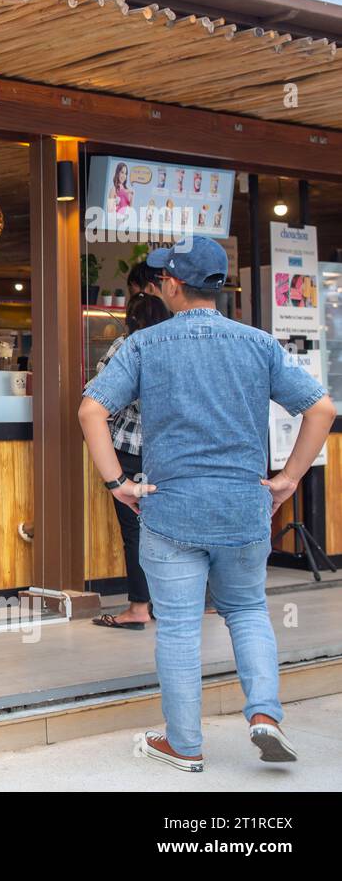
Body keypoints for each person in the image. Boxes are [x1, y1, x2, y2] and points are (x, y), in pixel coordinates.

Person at [80, 235, 335, 772]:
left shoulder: (145, 344)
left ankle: (185, 745)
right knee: (246, 611)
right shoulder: (258, 344)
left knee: (176, 627)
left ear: (171, 284)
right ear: (218, 287)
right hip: (244, 506)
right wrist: (288, 479)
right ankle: (264, 716)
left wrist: (117, 484)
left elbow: (90, 412)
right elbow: (321, 409)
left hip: (171, 507)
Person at [90, 293, 170, 630]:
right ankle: (193, 601)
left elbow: (97, 392)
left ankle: (139, 607)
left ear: (130, 319)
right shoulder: (174, 344)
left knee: (135, 530)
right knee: (176, 528)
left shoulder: (126, 346)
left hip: (129, 448)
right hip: (171, 449)